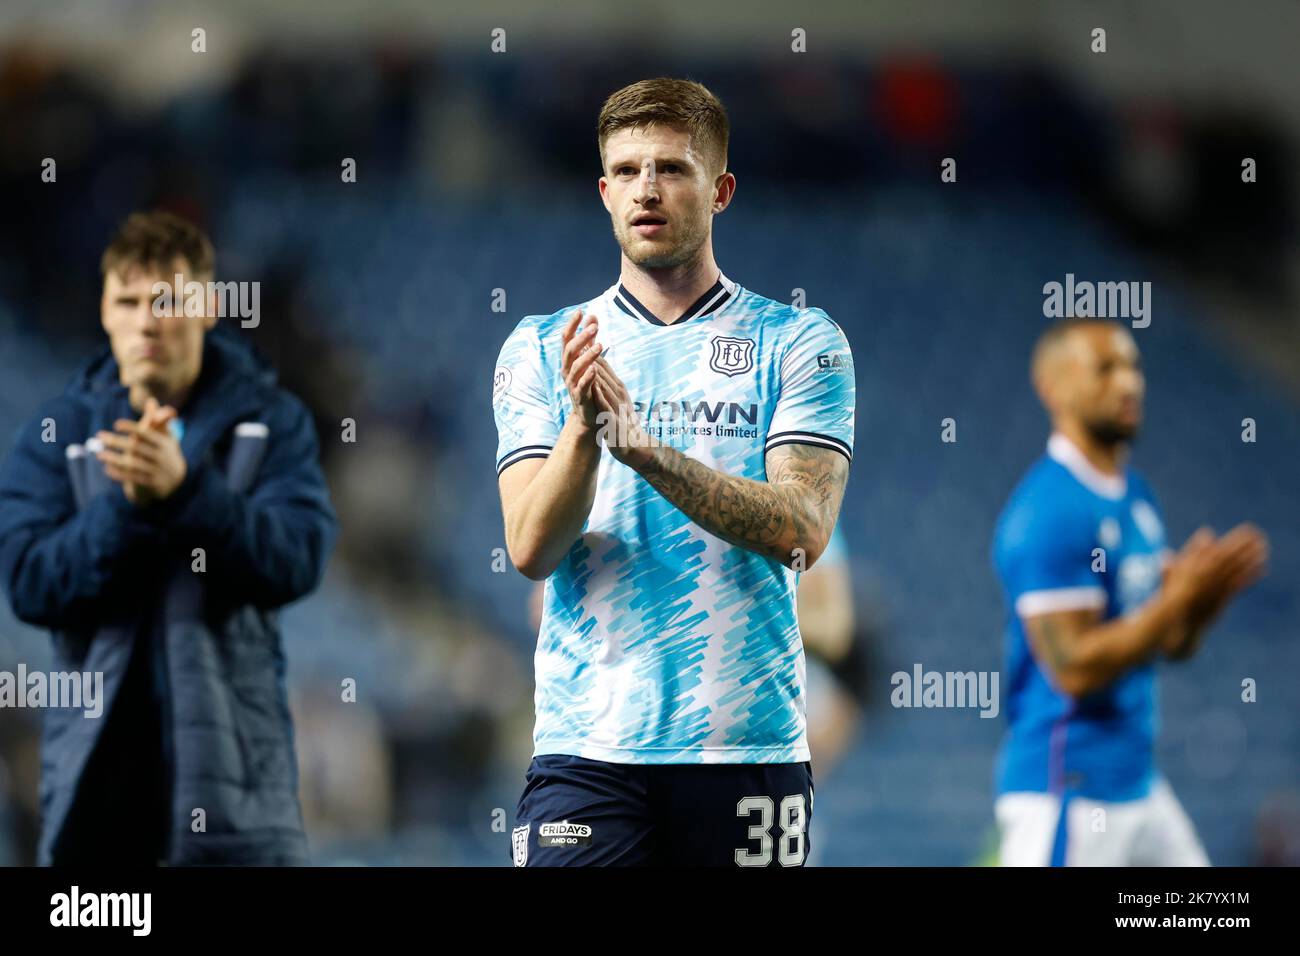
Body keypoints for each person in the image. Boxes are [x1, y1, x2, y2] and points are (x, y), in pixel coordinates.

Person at [493, 78, 855, 866]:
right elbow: (529, 547)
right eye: (625, 171)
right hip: (587, 753)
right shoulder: (541, 347)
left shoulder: (797, 342)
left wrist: (647, 451)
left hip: (746, 750)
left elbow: (803, 528)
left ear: (721, 189)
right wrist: (586, 434)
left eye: (671, 168)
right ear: (602, 191)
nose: (645, 190)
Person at [0, 210, 337, 865]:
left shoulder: (272, 424)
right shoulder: (56, 432)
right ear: (104, 310)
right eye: (129, 301)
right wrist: (128, 509)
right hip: (91, 815)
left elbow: (297, 560)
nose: (147, 322)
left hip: (237, 815)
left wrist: (187, 493)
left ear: (209, 306)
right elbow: (29, 583)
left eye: (168, 300)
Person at [991, 318, 1268, 866]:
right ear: (1053, 385)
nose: (1129, 384)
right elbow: (1073, 667)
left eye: (1134, 367)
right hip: (1069, 793)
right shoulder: (1048, 510)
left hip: (1137, 782)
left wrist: (1195, 614)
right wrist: (1174, 603)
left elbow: (1166, 644)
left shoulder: (1136, 497)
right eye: (1106, 368)